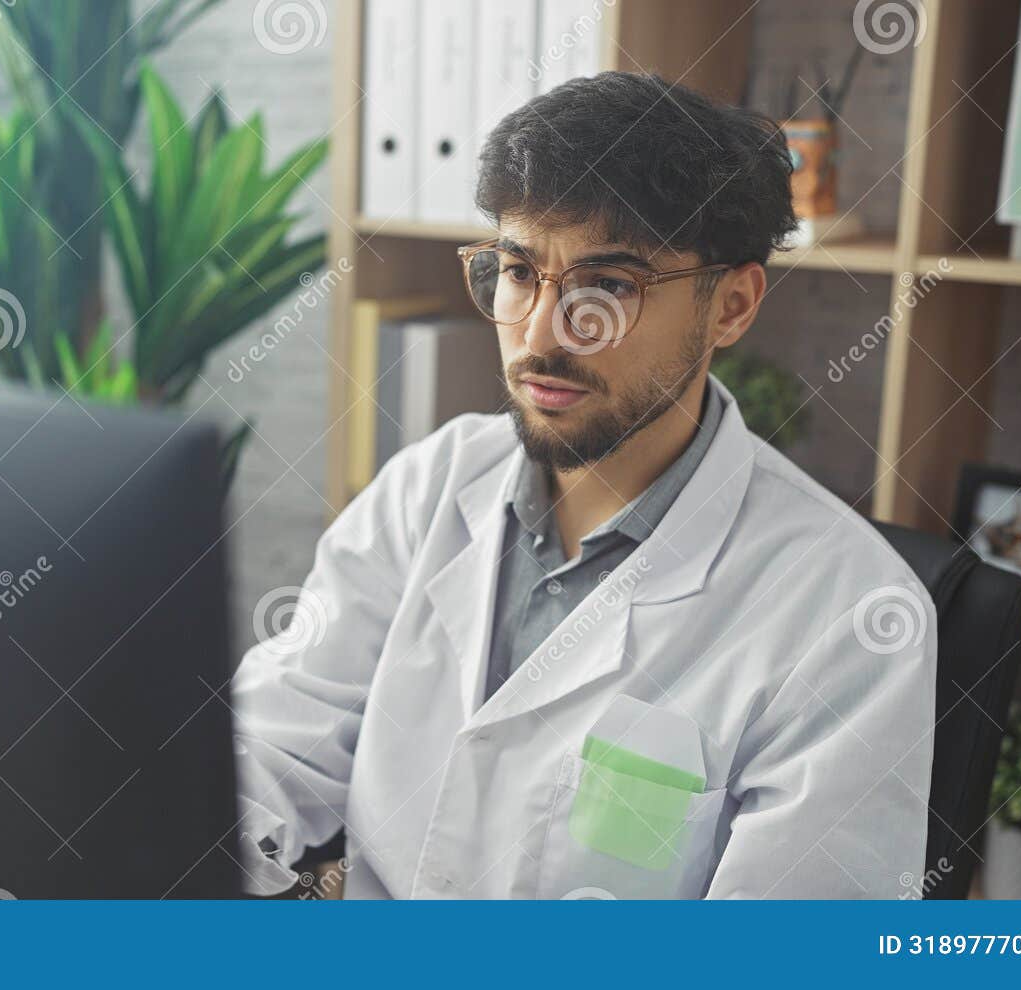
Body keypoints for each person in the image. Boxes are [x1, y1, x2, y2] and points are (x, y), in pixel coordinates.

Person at [231, 72, 936, 899]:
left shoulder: (847, 615)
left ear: (732, 306)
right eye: (519, 271)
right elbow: (273, 743)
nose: (540, 334)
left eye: (609, 286)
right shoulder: (427, 487)